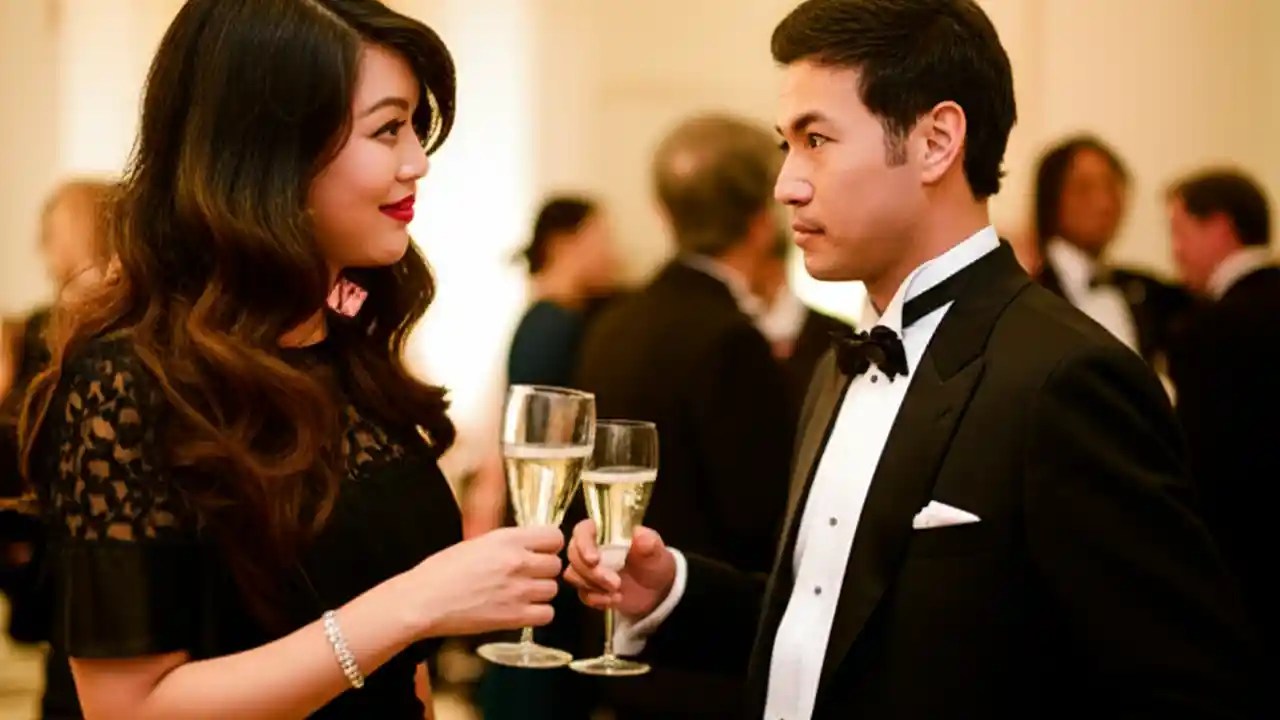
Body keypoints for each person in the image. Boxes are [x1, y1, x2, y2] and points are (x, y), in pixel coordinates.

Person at [565, 1, 1261, 718]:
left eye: (817, 140)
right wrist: (674, 591)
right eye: (786, 145)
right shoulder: (839, 363)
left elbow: (1191, 686)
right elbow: (839, 628)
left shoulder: (1065, 378)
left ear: (935, 142)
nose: (785, 185)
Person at [15, 2, 564, 718]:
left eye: (415, 128)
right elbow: (131, 708)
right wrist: (414, 604)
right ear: (274, 153)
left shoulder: (350, 355)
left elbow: (407, 677)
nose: (418, 161)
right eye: (388, 129)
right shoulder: (131, 383)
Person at [572, 115, 794, 718]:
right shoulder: (730, 338)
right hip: (703, 663)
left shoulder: (615, 320)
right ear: (759, 220)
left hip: (623, 649)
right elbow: (760, 517)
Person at [473, 196, 618, 720]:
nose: (615, 254)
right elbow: (535, 436)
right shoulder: (553, 324)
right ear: (565, 244)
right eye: (603, 240)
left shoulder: (553, 316)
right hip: (547, 507)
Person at [1, 178, 115, 720]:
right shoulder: (36, 328)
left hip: (80, 542)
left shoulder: (64, 329)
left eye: (51, 234)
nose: (43, 248)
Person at [1164, 169, 1278, 645]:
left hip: (1244, 574)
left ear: (1219, 227)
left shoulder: (1211, 330)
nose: (1174, 251)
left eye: (1179, 231)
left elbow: (1200, 471)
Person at [1032, 136, 1191, 367]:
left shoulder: (1145, 291)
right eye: (1083, 189)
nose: (1104, 203)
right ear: (1051, 199)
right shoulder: (1028, 294)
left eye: (1113, 187)